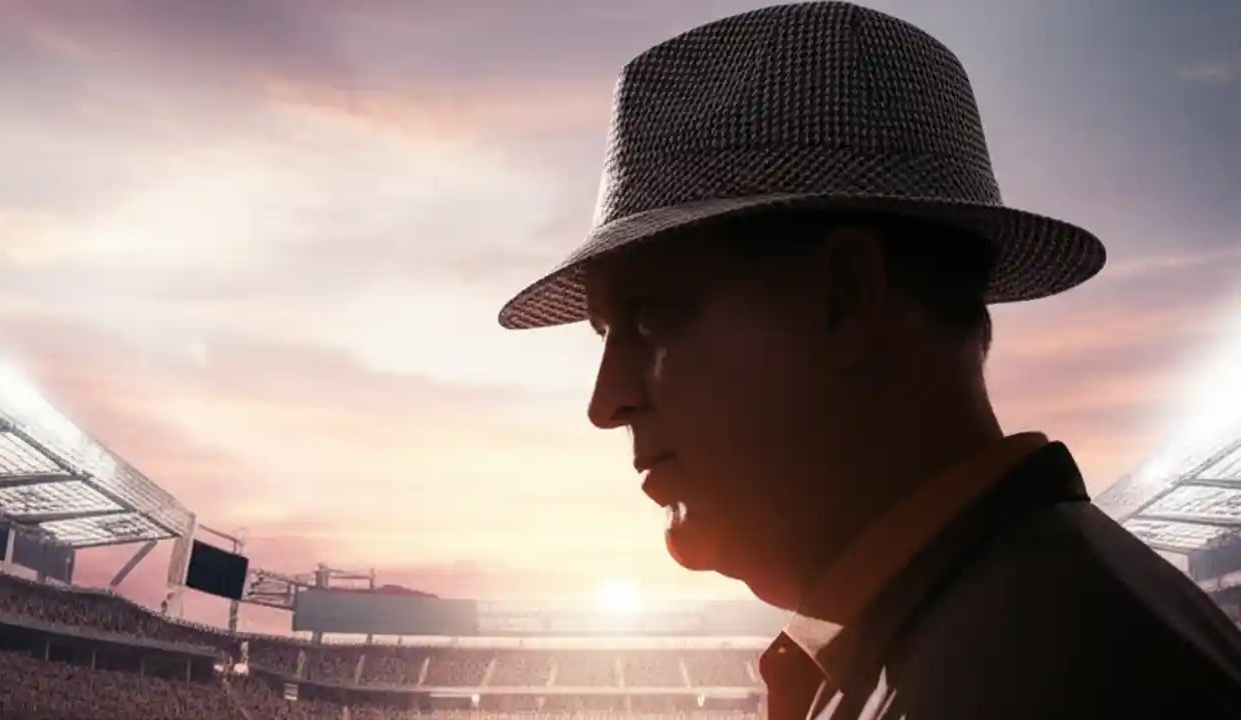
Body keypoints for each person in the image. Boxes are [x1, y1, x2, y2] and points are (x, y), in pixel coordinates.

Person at [498, 2, 1241, 718]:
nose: (606, 402)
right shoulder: (993, 624)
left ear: (845, 298)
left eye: (650, 318)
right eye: (605, 335)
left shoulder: (1036, 676)